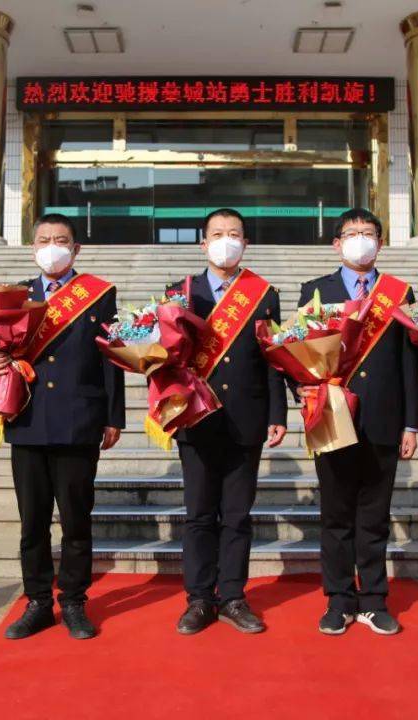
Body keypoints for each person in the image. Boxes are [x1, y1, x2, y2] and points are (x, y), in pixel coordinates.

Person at [0, 213, 124, 641]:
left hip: (79, 420)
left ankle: (74, 601)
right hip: (28, 417)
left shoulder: (99, 293)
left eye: (61, 240)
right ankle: (38, 602)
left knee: (76, 520)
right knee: (33, 522)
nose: (52, 247)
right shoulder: (14, 296)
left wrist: (113, 416)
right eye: (44, 240)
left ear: (76, 249)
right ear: (33, 248)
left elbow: (111, 355)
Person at [296, 209, 418, 636]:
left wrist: (411, 424)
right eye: (352, 233)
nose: (361, 239)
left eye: (369, 233)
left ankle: (374, 600)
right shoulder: (315, 291)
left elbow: (408, 361)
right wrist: (302, 390)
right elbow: (297, 352)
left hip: (384, 419)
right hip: (332, 416)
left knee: (374, 516)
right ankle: (339, 600)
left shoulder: (399, 292)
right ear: (337, 244)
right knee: (335, 516)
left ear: (381, 243)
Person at [166, 208, 287, 635]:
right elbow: (164, 359)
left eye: (234, 234)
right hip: (196, 418)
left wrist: (277, 413)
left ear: (245, 243)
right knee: (199, 514)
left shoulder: (263, 293)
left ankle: (233, 596)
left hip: (246, 417)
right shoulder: (180, 292)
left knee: (237, 515)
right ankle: (199, 599)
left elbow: (273, 358)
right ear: (203, 243)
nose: (226, 241)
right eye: (217, 234)